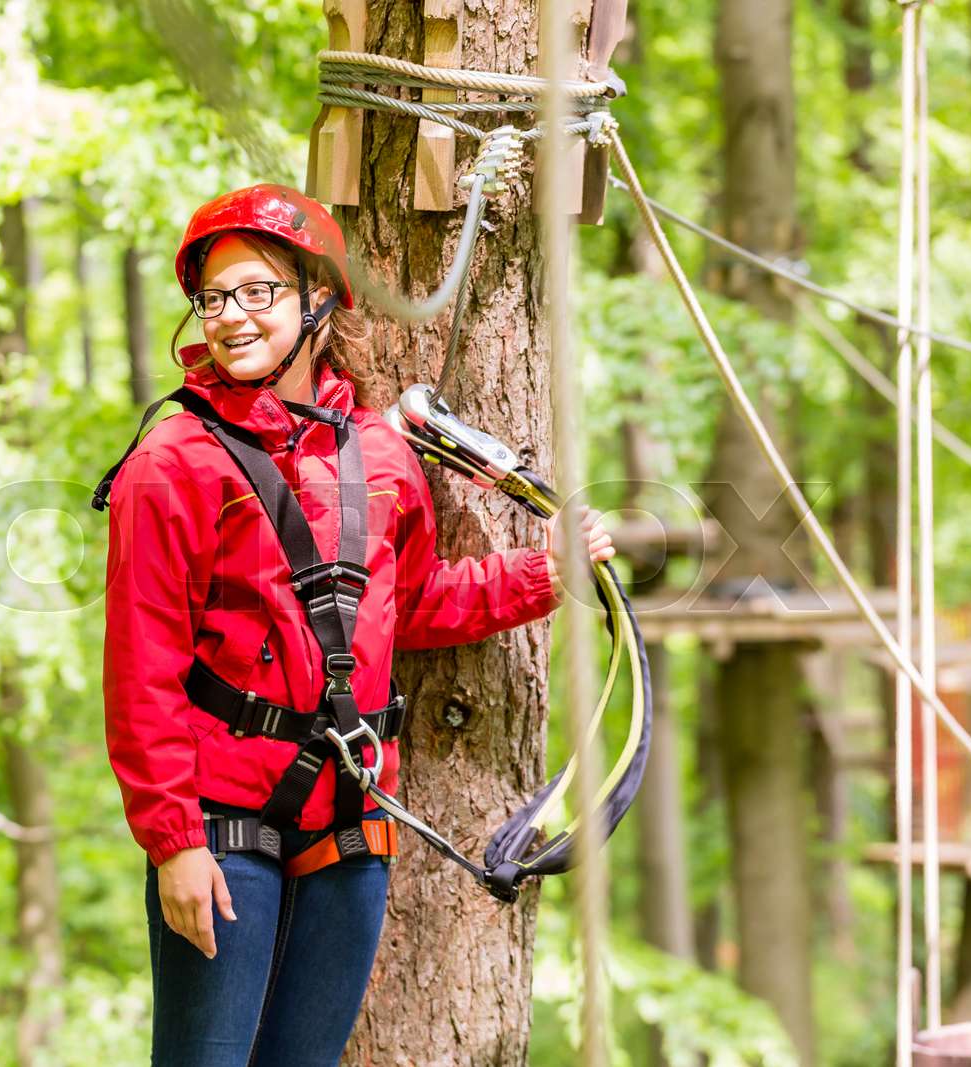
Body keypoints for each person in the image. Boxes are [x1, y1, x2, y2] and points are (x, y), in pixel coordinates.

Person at [99, 184, 614, 1067]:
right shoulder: (171, 463)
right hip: (221, 817)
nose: (230, 317)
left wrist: (545, 575)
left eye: (257, 291)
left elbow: (405, 607)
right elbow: (142, 669)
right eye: (215, 298)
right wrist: (174, 842)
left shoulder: (377, 451)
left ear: (317, 299)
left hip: (348, 817)